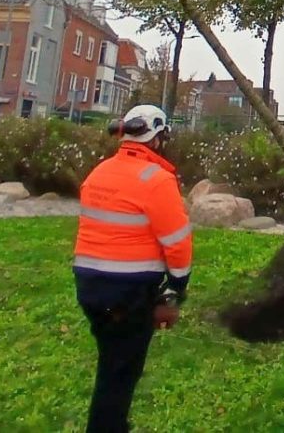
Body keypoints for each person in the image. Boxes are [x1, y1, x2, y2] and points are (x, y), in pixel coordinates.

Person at [73, 104, 192, 433]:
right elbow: (178, 243)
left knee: (112, 363)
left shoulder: (100, 172)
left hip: (89, 288)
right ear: (156, 138)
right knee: (120, 374)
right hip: (128, 294)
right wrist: (174, 292)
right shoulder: (156, 180)